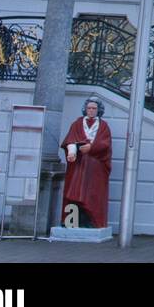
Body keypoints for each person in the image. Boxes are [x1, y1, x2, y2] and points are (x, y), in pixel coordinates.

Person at [60, 96, 111, 228]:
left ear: (98, 110)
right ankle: (72, 221)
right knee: (74, 191)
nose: (91, 110)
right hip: (78, 166)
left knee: (92, 193)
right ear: (85, 109)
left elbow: (105, 144)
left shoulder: (103, 126)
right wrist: (71, 152)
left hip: (94, 168)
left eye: (94, 108)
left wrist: (91, 148)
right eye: (89, 108)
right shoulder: (77, 124)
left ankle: (91, 220)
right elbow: (69, 140)